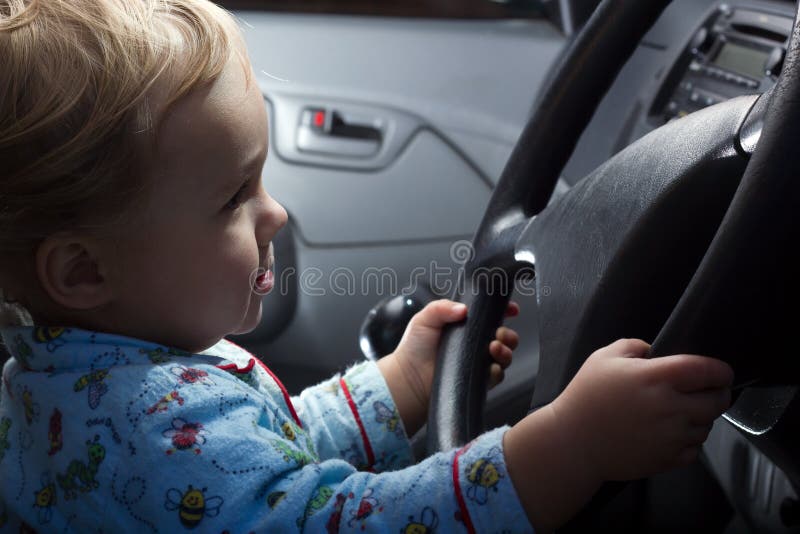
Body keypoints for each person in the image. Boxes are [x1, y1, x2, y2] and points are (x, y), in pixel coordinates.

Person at [0, 0, 734, 532]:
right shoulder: (153, 431)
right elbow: (351, 521)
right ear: (83, 272)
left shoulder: (73, 379)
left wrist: (401, 382)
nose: (274, 213)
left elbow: (267, 456)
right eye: (231, 199)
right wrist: (573, 445)